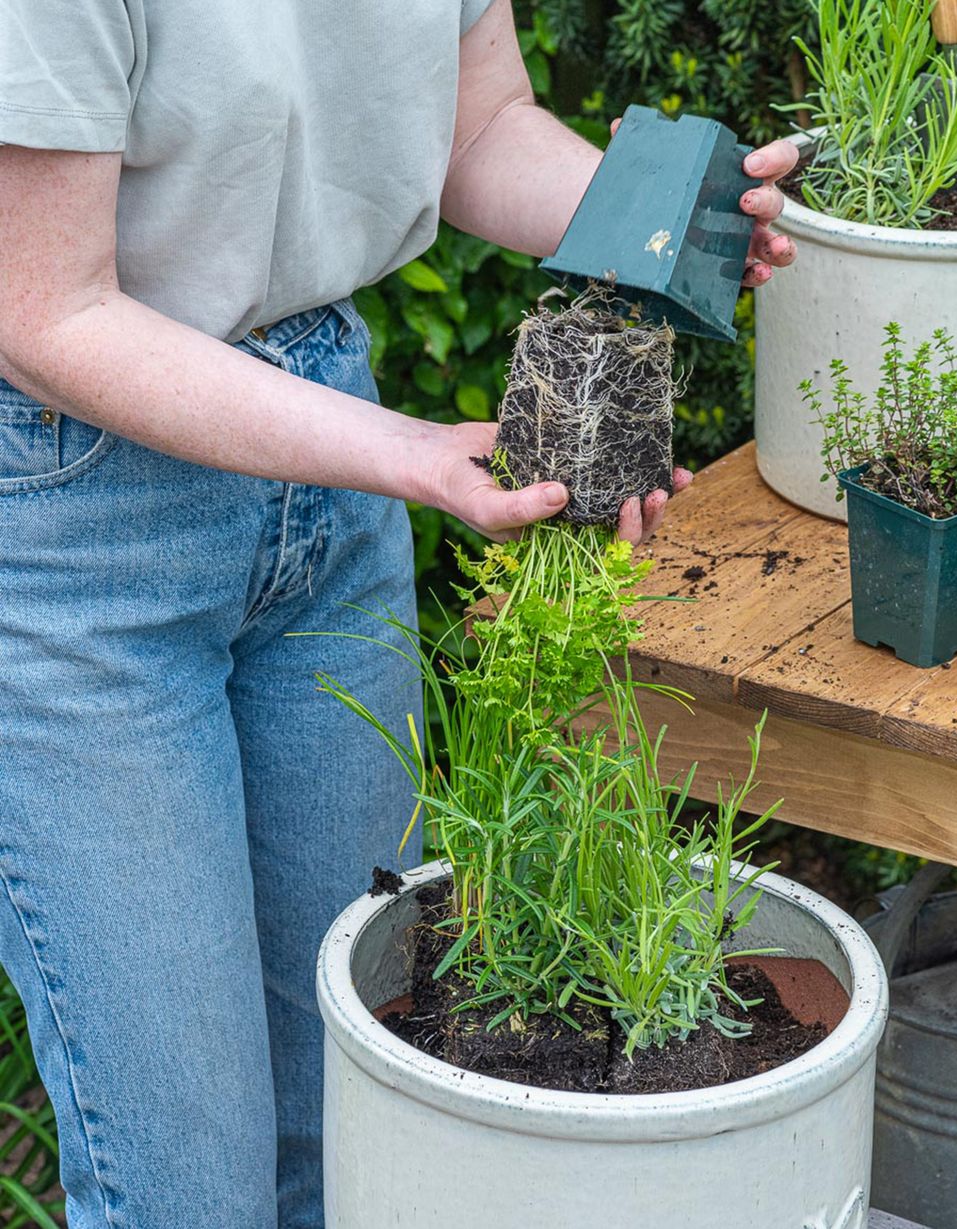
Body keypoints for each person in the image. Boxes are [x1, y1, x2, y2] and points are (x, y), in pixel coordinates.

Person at [0, 2, 797, 1225]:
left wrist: (668, 227)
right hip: (80, 528)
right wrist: (408, 451)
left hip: (325, 456)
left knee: (363, 1122)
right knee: (192, 1192)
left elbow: (476, 129)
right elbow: (45, 313)